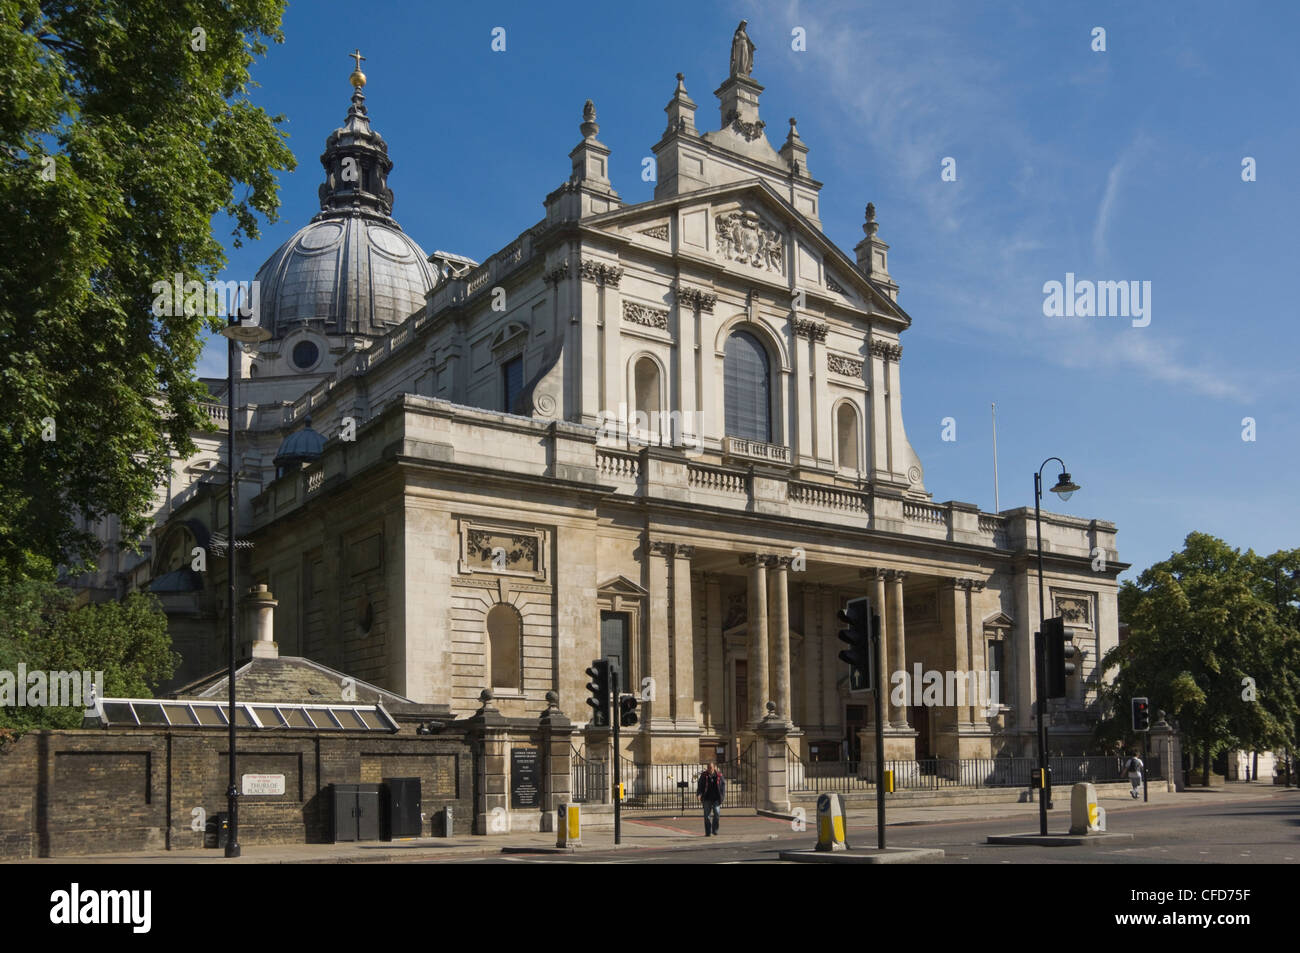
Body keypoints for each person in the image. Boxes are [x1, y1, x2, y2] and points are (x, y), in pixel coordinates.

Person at [696, 762, 726, 836]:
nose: (710, 769)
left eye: (711, 767)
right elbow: (700, 786)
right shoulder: (704, 775)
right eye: (708, 767)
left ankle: (715, 830)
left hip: (716, 798)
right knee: (707, 816)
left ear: (714, 767)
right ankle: (708, 832)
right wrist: (699, 794)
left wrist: (722, 797)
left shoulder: (719, 775)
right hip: (707, 798)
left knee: (717, 813)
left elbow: (723, 786)